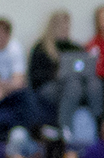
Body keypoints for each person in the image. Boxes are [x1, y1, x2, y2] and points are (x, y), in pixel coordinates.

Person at [27, 9, 99, 139]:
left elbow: (83, 68)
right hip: (49, 87)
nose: (66, 29)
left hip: (75, 84)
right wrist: (56, 74)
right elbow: (36, 77)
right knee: (73, 85)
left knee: (94, 84)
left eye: (67, 26)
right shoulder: (41, 48)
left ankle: (98, 124)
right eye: (62, 26)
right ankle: (65, 128)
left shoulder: (74, 47)